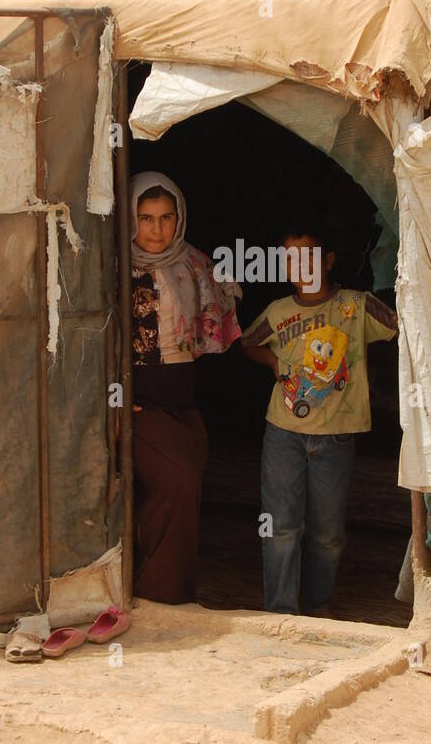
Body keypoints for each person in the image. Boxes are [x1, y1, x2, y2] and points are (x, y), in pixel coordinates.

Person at [241, 220, 398, 614]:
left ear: (327, 260)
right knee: (280, 528)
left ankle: (316, 607)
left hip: (336, 436)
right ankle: (281, 611)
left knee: (328, 536)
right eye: (289, 259)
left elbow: (403, 322)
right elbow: (246, 343)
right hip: (284, 432)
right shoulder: (278, 312)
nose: (300, 266)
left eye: (308, 256)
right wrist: (274, 361)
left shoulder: (353, 306)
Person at [130, 171, 240, 603]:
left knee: (181, 496)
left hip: (184, 407)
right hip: (139, 405)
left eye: (166, 217)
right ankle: (159, 596)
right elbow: (96, 333)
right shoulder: (113, 267)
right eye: (145, 218)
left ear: (179, 219)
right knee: (176, 487)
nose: (157, 229)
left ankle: (163, 590)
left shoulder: (196, 265)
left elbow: (216, 338)